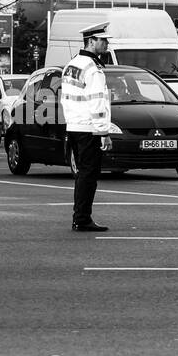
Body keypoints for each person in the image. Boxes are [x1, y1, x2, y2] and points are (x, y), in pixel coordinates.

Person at [62, 22, 113, 232]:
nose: (106, 43)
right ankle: (82, 218)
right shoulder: (93, 68)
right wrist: (104, 132)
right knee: (88, 176)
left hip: (74, 126)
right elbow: (97, 101)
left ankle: (80, 217)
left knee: (82, 174)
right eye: (103, 40)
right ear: (91, 41)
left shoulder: (72, 64)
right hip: (89, 128)